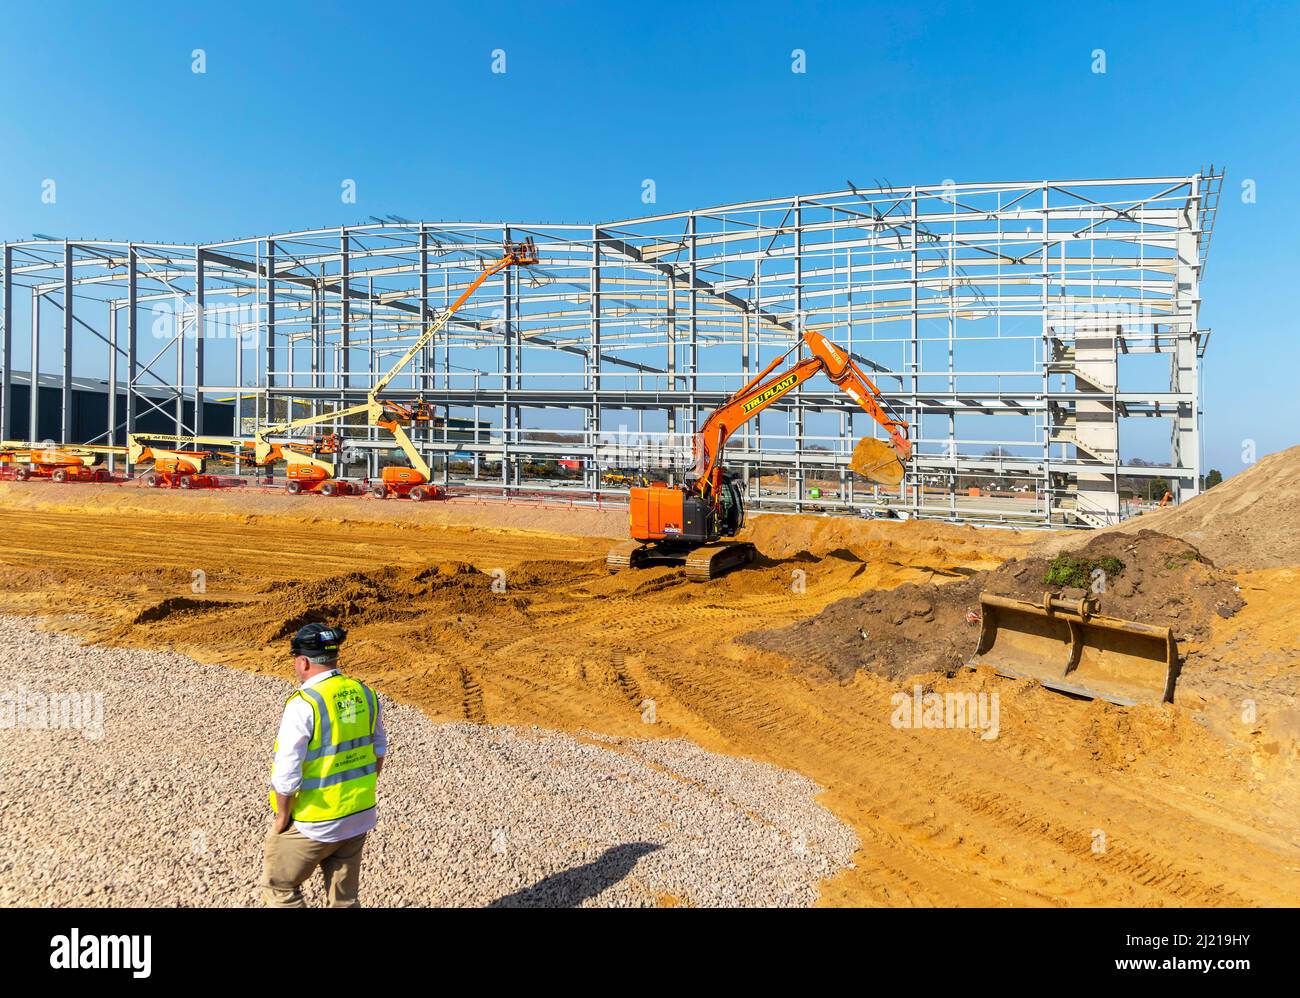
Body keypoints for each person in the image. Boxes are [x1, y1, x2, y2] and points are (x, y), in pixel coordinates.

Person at [261, 623, 386, 908]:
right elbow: (378, 748)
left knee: (279, 888)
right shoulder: (363, 693)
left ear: (303, 661)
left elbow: (287, 771)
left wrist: (282, 815)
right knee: (344, 899)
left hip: (315, 821)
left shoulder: (304, 703)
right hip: (358, 815)